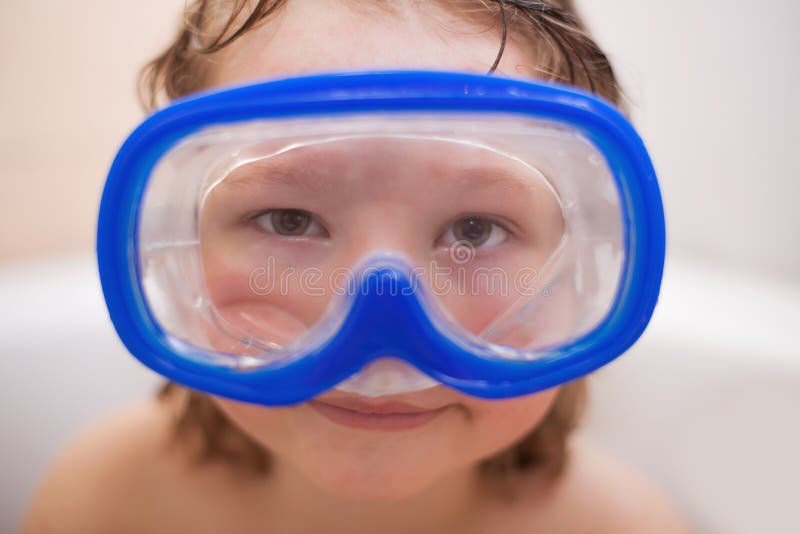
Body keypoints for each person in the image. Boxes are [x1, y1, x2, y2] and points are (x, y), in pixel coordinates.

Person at [22, 1, 690, 532]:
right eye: (288, 220)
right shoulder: (106, 502)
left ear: (579, 270)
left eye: (475, 230)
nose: (380, 340)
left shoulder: (620, 524)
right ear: (181, 246)